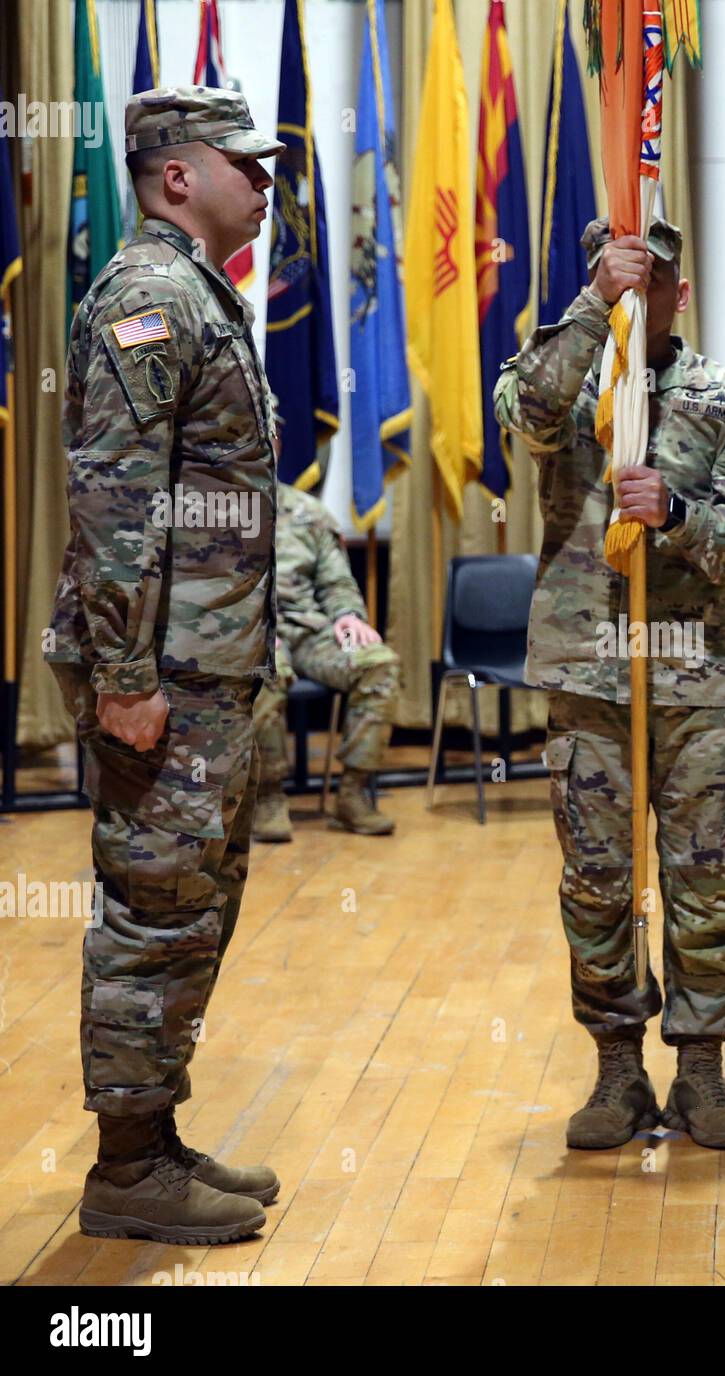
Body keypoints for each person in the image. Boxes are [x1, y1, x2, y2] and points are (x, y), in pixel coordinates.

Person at [45, 87, 285, 1244]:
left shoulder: (198, 293)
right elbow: (115, 500)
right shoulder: (149, 296)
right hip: (168, 675)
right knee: (152, 909)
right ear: (177, 173)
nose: (267, 180)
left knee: (191, 906)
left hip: (207, 664)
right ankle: (127, 1166)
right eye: (248, 161)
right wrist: (127, 676)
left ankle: (157, 1132)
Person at [494, 217, 725, 1151]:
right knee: (598, 883)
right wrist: (588, 306)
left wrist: (680, 510)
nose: (630, 291)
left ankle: (702, 1070)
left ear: (679, 296)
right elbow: (525, 415)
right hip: (590, 677)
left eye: (647, 278)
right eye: (615, 274)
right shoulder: (570, 386)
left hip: (697, 678)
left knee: (705, 881)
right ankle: (617, 1067)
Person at [252, 463, 400, 842]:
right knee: (261, 667)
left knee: (378, 664)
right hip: (251, 633)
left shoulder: (308, 512)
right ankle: (266, 795)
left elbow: (336, 581)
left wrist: (348, 616)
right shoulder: (212, 509)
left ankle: (353, 793)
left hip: (310, 632)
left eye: (270, 433)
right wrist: (252, 629)